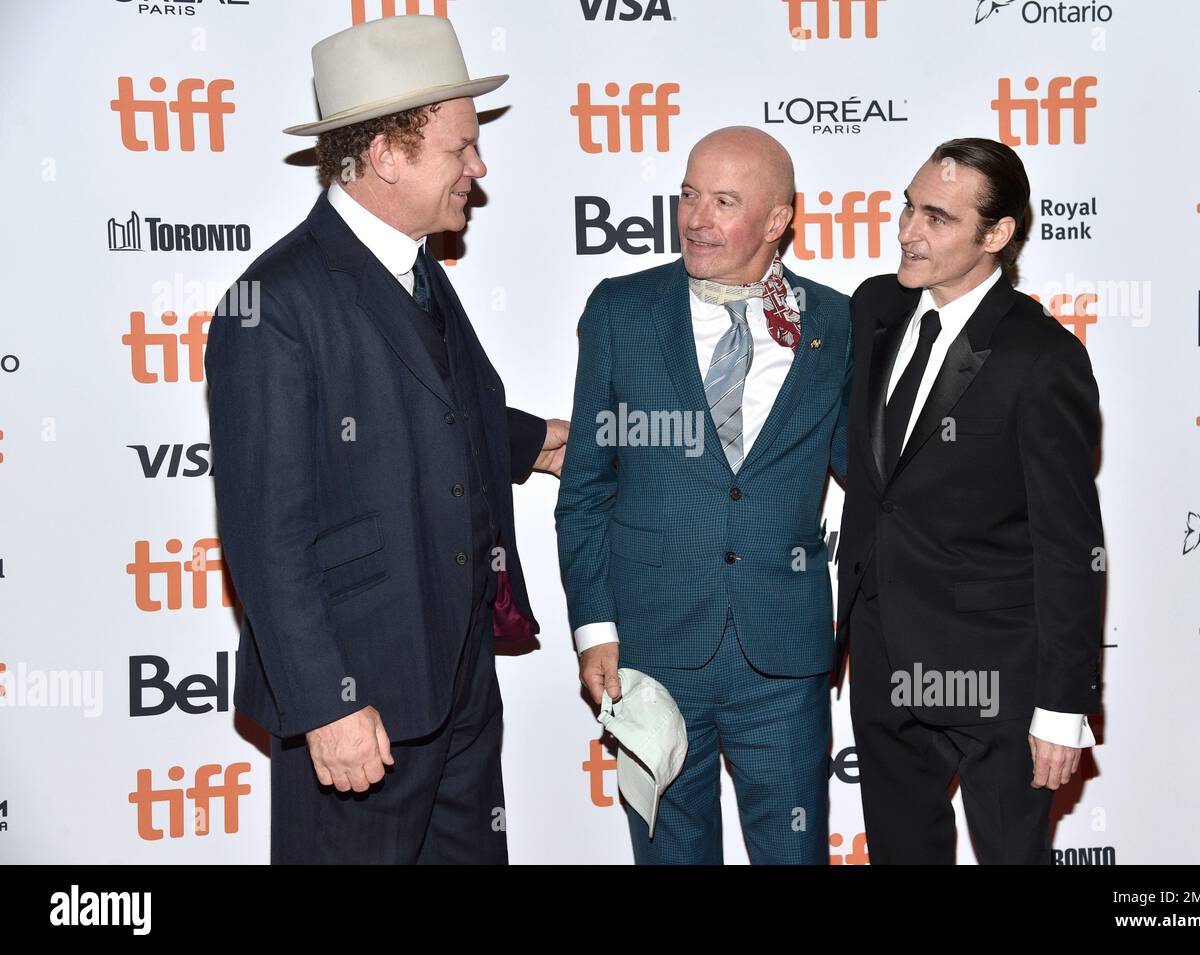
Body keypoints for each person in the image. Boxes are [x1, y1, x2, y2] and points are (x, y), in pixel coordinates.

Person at [205, 14, 567, 864]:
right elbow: (266, 536)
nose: (478, 168)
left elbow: (434, 411)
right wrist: (326, 705)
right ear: (386, 154)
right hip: (356, 703)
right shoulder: (274, 306)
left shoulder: (415, 266)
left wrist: (540, 441)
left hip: (460, 688)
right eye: (460, 148)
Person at [556, 126, 853, 864]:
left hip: (784, 656)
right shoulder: (622, 310)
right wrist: (595, 629)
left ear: (778, 219)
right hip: (654, 650)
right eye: (689, 194)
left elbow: (876, 479)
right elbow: (587, 486)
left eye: (724, 201)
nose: (696, 217)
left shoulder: (837, 322)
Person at [836, 137, 1105, 864]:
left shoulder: (1041, 357)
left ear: (996, 235)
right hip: (885, 659)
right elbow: (874, 473)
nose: (908, 231)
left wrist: (1063, 704)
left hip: (1000, 679)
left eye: (938, 217)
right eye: (908, 206)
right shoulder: (875, 307)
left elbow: (1071, 543)